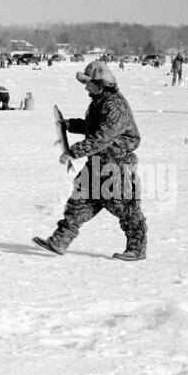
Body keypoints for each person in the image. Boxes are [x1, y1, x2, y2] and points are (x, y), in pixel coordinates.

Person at [33, 61, 145, 261]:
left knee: (124, 207)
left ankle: (136, 248)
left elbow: (103, 137)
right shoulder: (99, 102)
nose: (85, 87)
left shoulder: (114, 105)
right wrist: (71, 125)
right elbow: (94, 127)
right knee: (79, 202)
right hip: (97, 162)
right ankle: (59, 241)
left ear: (100, 84)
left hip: (116, 163)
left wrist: (72, 152)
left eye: (88, 83)